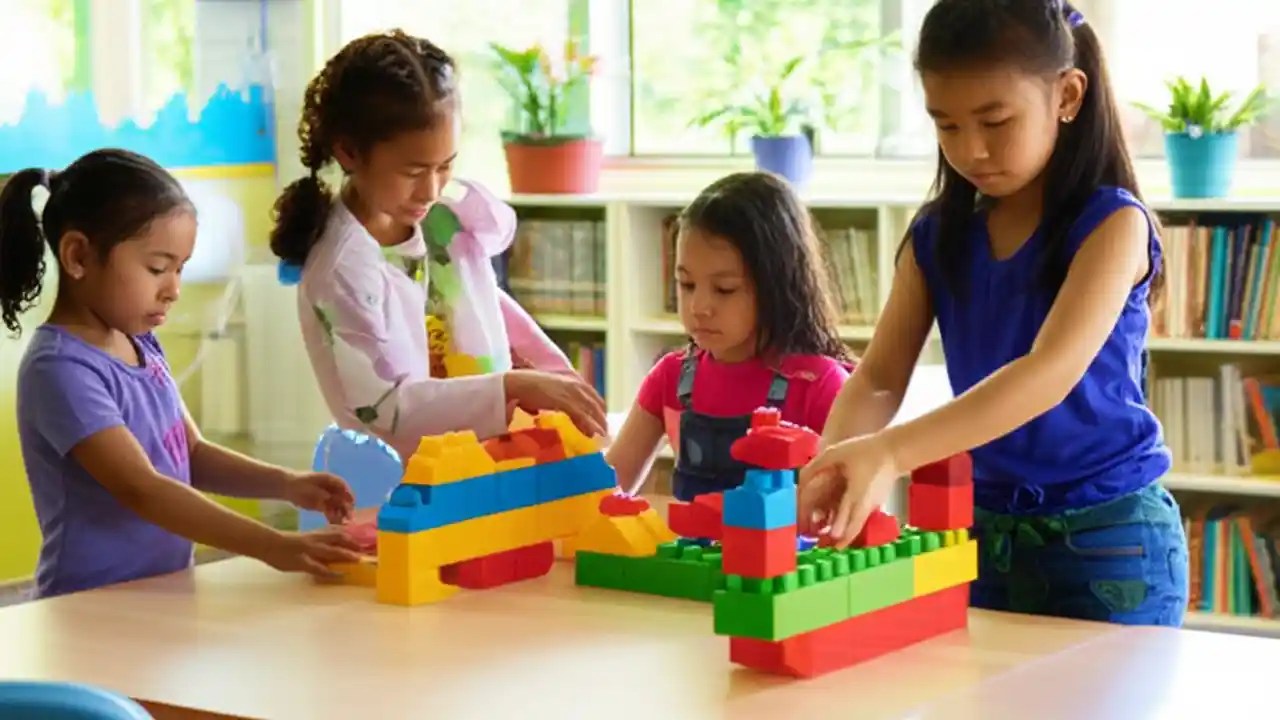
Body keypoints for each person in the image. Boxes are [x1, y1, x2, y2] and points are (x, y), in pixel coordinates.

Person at [797, 0, 1189, 627]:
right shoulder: (936, 236)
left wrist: (891, 454)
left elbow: (1048, 372)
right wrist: (832, 464)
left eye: (995, 120)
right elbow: (876, 379)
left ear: (1066, 95)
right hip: (979, 531)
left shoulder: (1113, 224)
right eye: (946, 126)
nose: (971, 149)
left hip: (1109, 539)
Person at [0, 149, 362, 599]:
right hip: (89, 604)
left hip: (162, 591)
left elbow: (190, 453)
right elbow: (143, 489)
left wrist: (286, 484)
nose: (173, 290)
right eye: (157, 268)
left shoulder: (140, 343)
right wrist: (272, 545)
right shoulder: (59, 369)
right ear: (77, 256)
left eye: (179, 269)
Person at [268, 29, 605, 463]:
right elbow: (387, 410)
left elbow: (483, 300)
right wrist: (514, 387)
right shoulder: (341, 269)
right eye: (413, 171)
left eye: (445, 165)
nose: (431, 189)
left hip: (486, 458)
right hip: (406, 482)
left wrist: (556, 376)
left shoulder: (440, 219)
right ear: (349, 152)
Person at [607, 172, 854, 500]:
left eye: (725, 289)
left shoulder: (819, 386)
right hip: (695, 550)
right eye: (686, 284)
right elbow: (609, 485)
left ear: (775, 285)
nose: (699, 306)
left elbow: (847, 511)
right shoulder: (670, 378)